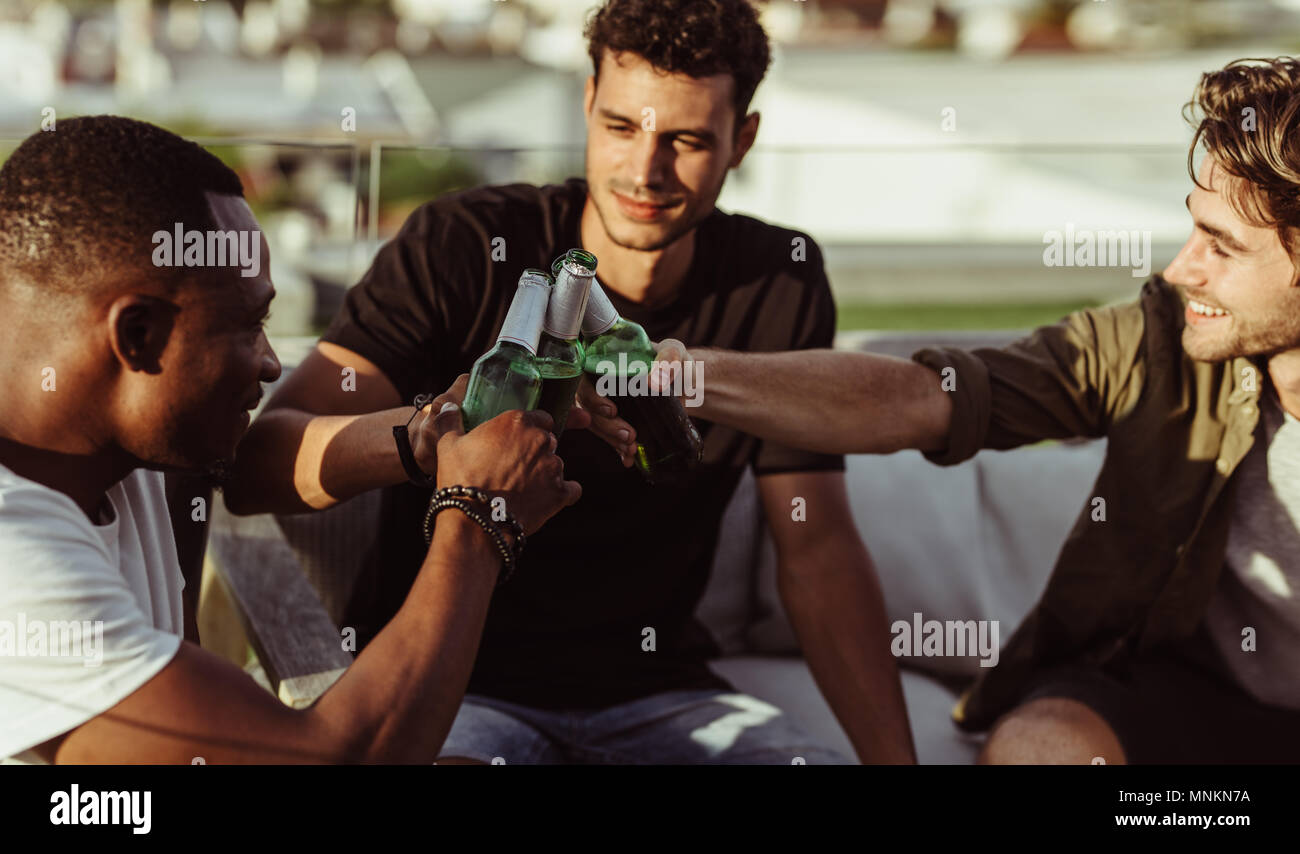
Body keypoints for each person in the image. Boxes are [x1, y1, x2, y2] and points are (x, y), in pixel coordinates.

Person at [224, 0, 914, 764]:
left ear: (742, 140)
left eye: (685, 141)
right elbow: (261, 464)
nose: (644, 171)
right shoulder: (461, 244)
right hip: (461, 687)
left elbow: (816, 548)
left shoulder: (778, 280)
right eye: (621, 127)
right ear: (587, 101)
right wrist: (429, 434)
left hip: (662, 694)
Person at [617, 57, 1300, 764]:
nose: (1180, 268)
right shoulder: (1161, 340)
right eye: (1195, 230)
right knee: (1042, 747)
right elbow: (925, 398)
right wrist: (673, 374)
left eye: (1222, 247)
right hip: (1194, 690)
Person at [0, 116, 581, 764]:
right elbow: (331, 758)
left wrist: (435, 430)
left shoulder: (120, 451)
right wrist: (479, 518)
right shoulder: (14, 555)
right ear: (137, 336)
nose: (273, 362)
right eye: (249, 325)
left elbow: (251, 464)